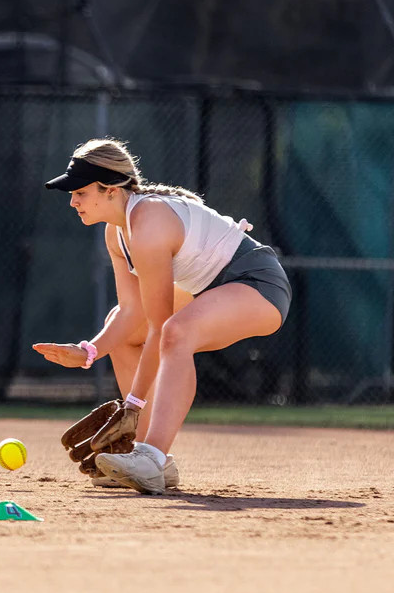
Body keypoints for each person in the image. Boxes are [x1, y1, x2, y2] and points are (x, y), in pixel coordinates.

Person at [32, 138, 291, 494]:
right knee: (124, 332)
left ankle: (149, 455)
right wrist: (89, 352)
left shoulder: (149, 222)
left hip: (257, 283)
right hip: (210, 287)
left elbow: (159, 326)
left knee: (175, 331)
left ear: (110, 189)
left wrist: (132, 405)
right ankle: (148, 460)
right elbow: (130, 312)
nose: (73, 200)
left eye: (80, 190)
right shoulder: (117, 233)